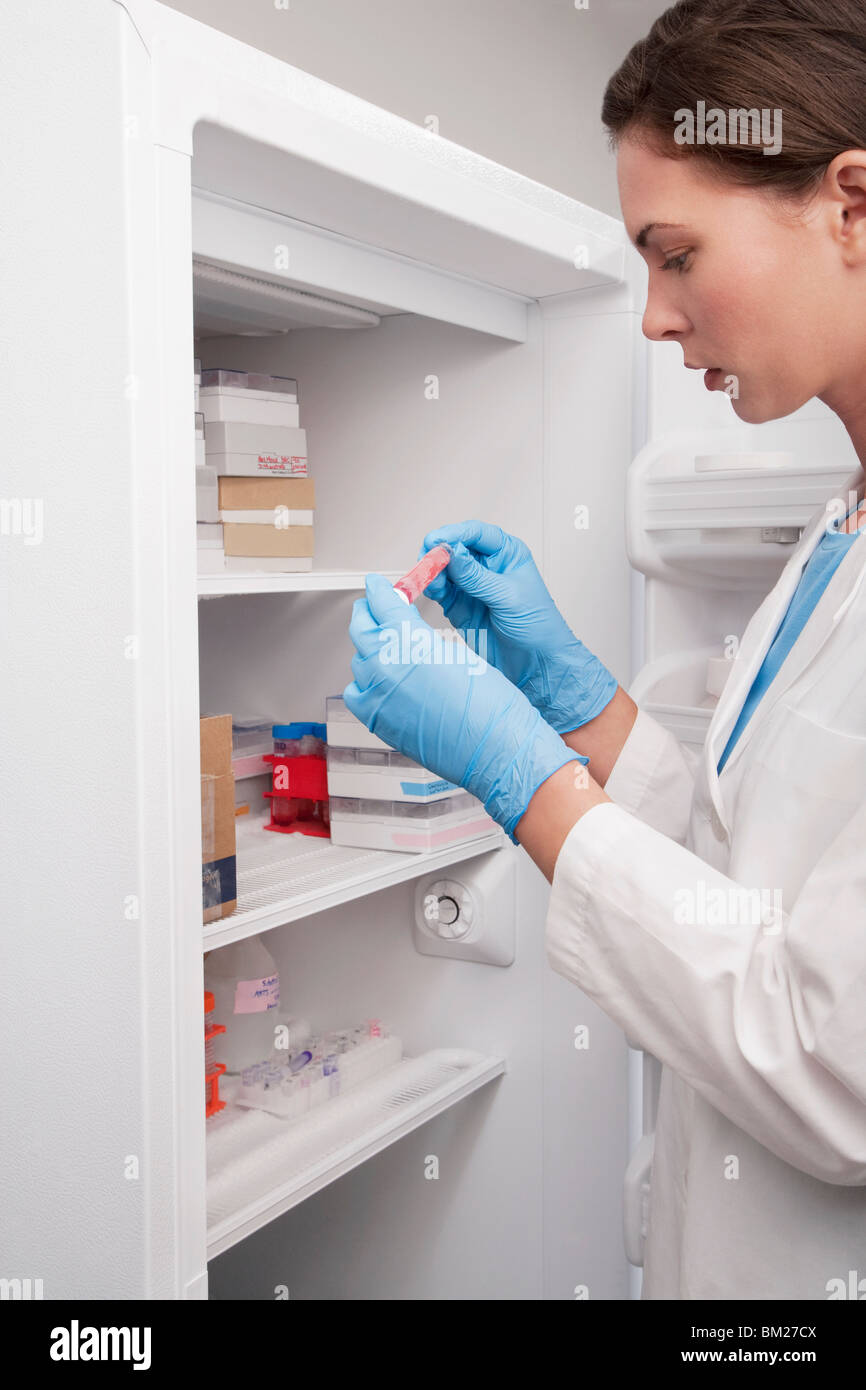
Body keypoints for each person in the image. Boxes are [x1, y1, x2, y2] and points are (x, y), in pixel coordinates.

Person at [344, 0, 866, 1300]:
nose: (649, 315)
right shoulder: (840, 524)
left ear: (849, 206)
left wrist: (527, 783)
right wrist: (579, 702)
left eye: (675, 253)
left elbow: (829, 1057)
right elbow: (757, 884)